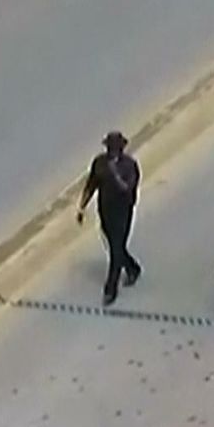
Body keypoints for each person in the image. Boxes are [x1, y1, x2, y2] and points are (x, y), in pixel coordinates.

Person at [77, 131, 142, 306]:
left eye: (115, 149)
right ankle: (132, 268)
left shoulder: (130, 166)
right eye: (110, 148)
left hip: (123, 212)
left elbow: (127, 188)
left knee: (115, 249)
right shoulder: (99, 163)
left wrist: (115, 174)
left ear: (122, 149)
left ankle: (110, 289)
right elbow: (91, 185)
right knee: (114, 247)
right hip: (105, 211)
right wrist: (82, 207)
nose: (112, 152)